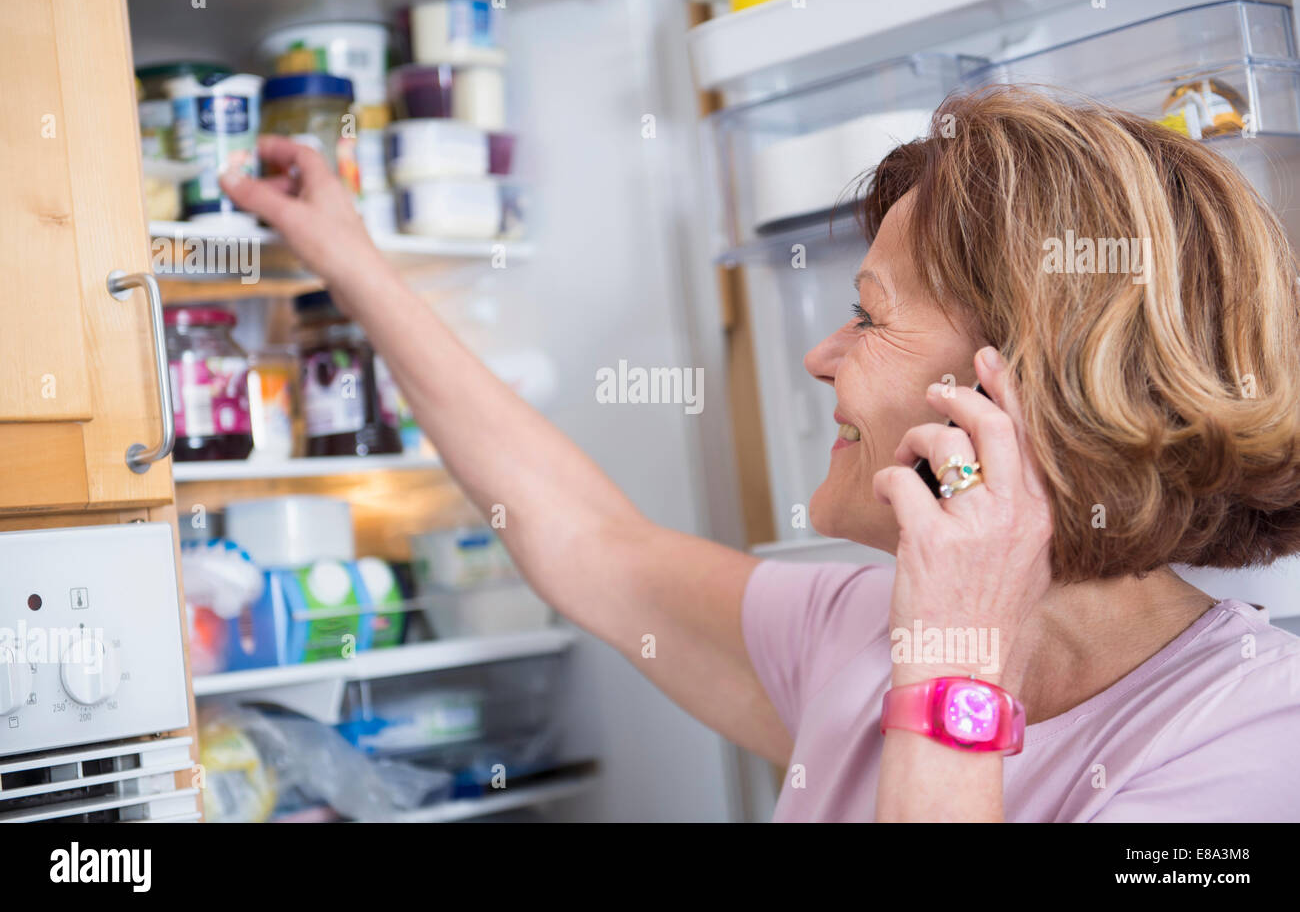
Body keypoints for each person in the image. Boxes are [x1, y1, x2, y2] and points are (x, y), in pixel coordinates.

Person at [220, 84, 1300, 821]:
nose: (820, 359)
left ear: (1028, 389)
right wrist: (349, 259)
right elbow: (594, 545)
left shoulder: (1254, 740)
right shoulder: (858, 633)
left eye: (869, 319)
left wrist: (958, 667)